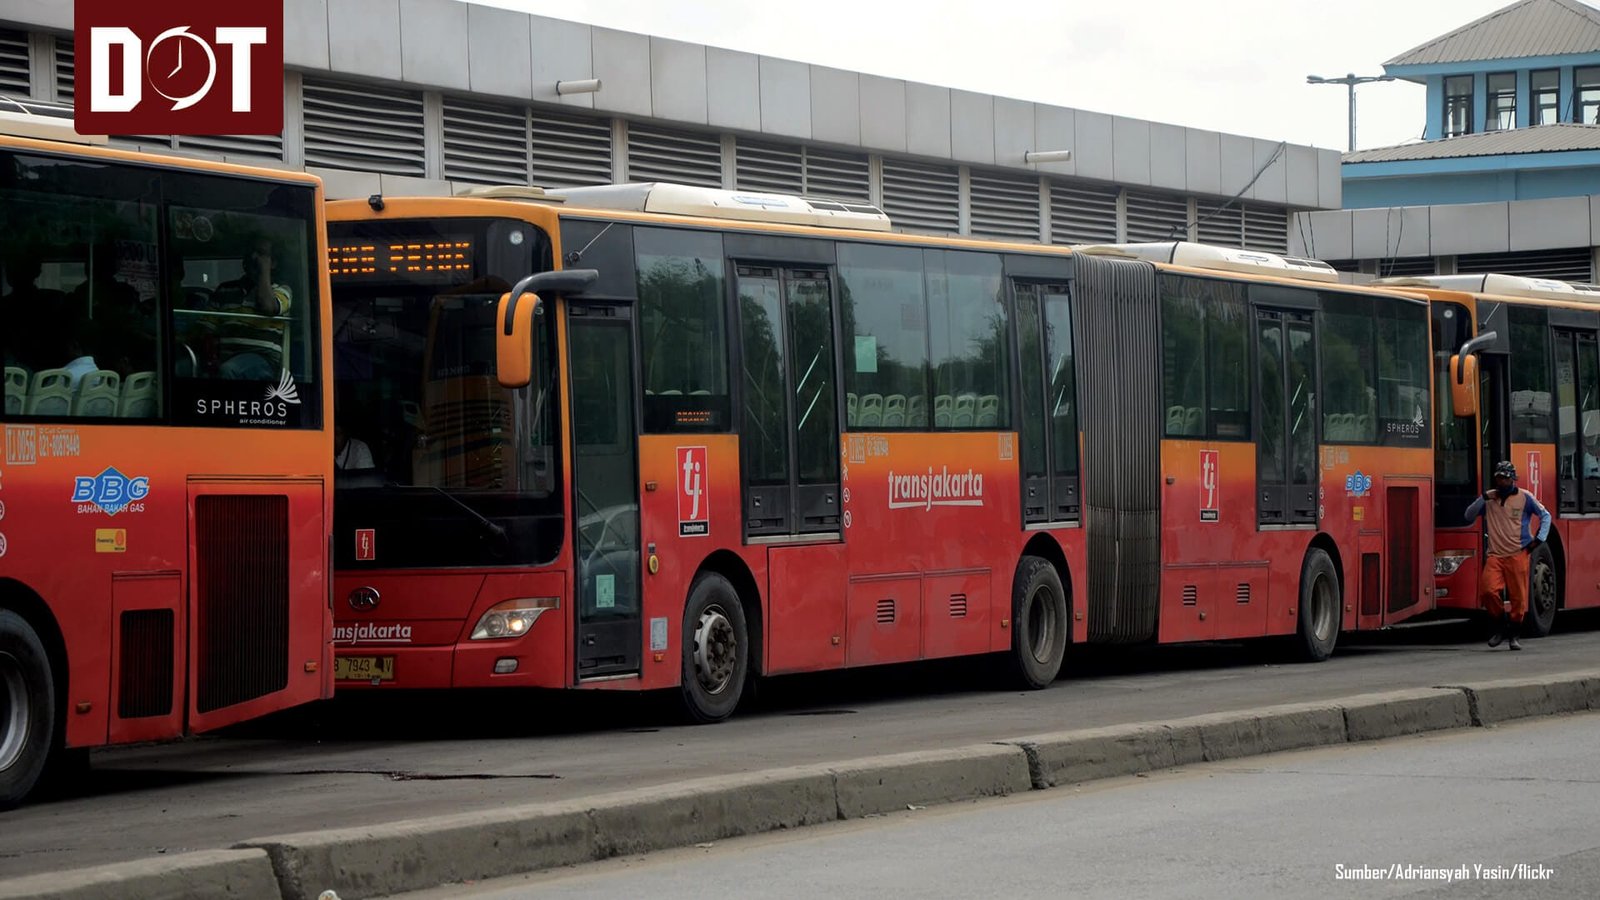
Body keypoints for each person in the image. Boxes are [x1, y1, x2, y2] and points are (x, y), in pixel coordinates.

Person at [1463, 461, 1551, 650]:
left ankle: (1514, 635)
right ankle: (1499, 625)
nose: (1501, 481)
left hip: (1518, 554)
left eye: (1505, 477)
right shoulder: (1489, 501)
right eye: (1499, 478)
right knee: (1488, 590)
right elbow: (1468, 516)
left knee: (1518, 597)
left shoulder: (1525, 497)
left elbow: (1546, 516)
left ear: (1512, 479)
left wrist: (1539, 539)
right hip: (1495, 555)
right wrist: (1483, 497)